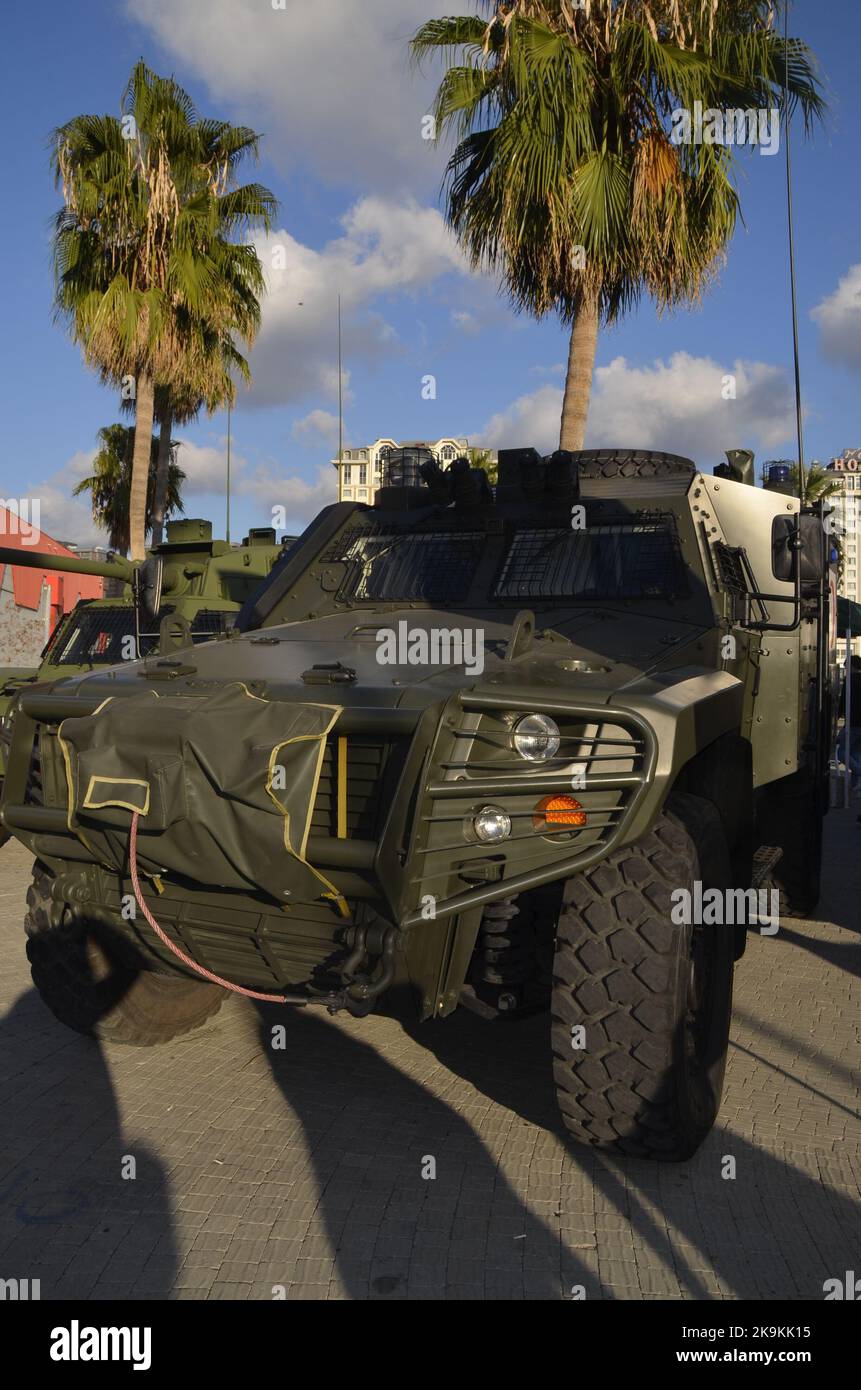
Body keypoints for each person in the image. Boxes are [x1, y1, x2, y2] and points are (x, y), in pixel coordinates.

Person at [837, 654, 861, 796]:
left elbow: (843, 701)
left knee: (842, 753)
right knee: (856, 755)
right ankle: (854, 788)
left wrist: (838, 714)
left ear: (851, 666)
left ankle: (859, 775)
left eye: (846, 667)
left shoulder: (850, 680)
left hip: (853, 723)